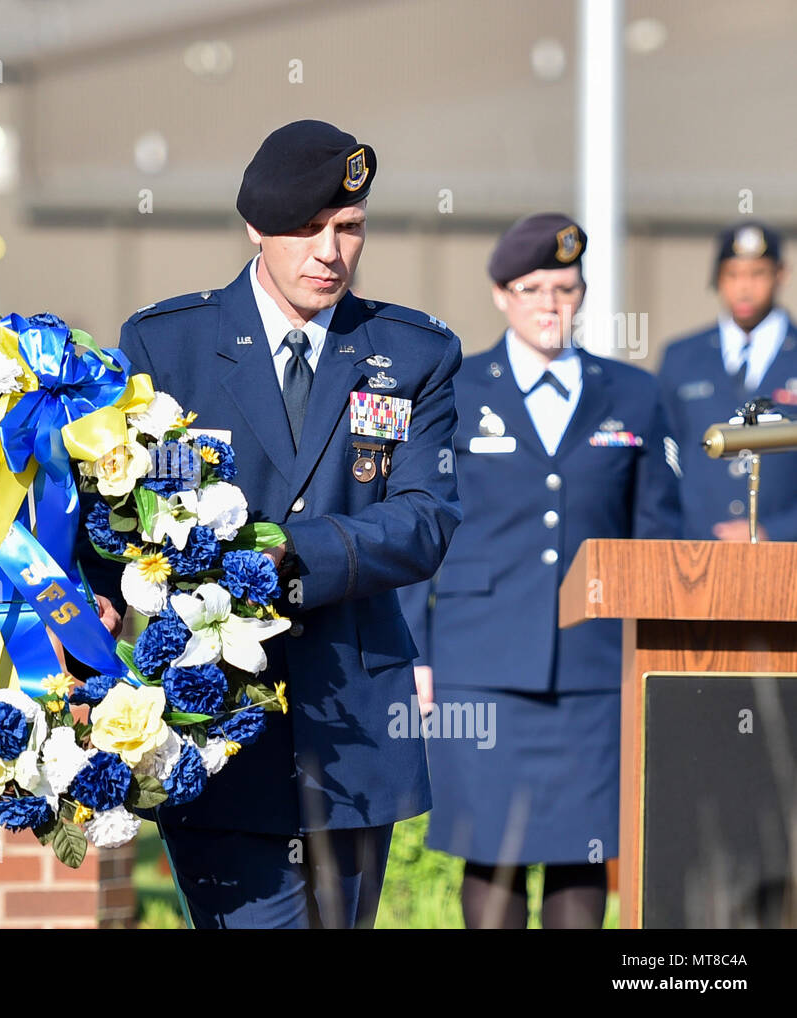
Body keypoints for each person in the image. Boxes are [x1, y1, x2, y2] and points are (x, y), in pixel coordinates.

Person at [112, 120, 462, 928]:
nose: (330, 252)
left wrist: (285, 557)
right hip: (218, 724)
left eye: (349, 228)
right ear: (255, 229)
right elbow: (125, 510)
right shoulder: (171, 346)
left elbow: (426, 517)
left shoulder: (413, 353)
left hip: (355, 726)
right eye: (307, 230)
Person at [397, 213, 682, 928]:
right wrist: (415, 657)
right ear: (500, 295)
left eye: (565, 287)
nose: (549, 304)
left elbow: (657, 536)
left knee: (581, 859)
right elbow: (419, 532)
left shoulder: (634, 395)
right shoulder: (454, 392)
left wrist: (657, 660)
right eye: (532, 289)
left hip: (596, 672)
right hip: (480, 666)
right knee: (490, 856)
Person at [657, 220, 797, 541]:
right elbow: (662, 460)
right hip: (696, 552)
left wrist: (776, 532)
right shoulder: (681, 358)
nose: (744, 287)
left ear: (781, 275)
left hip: (786, 560)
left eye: (757, 274)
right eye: (732, 275)